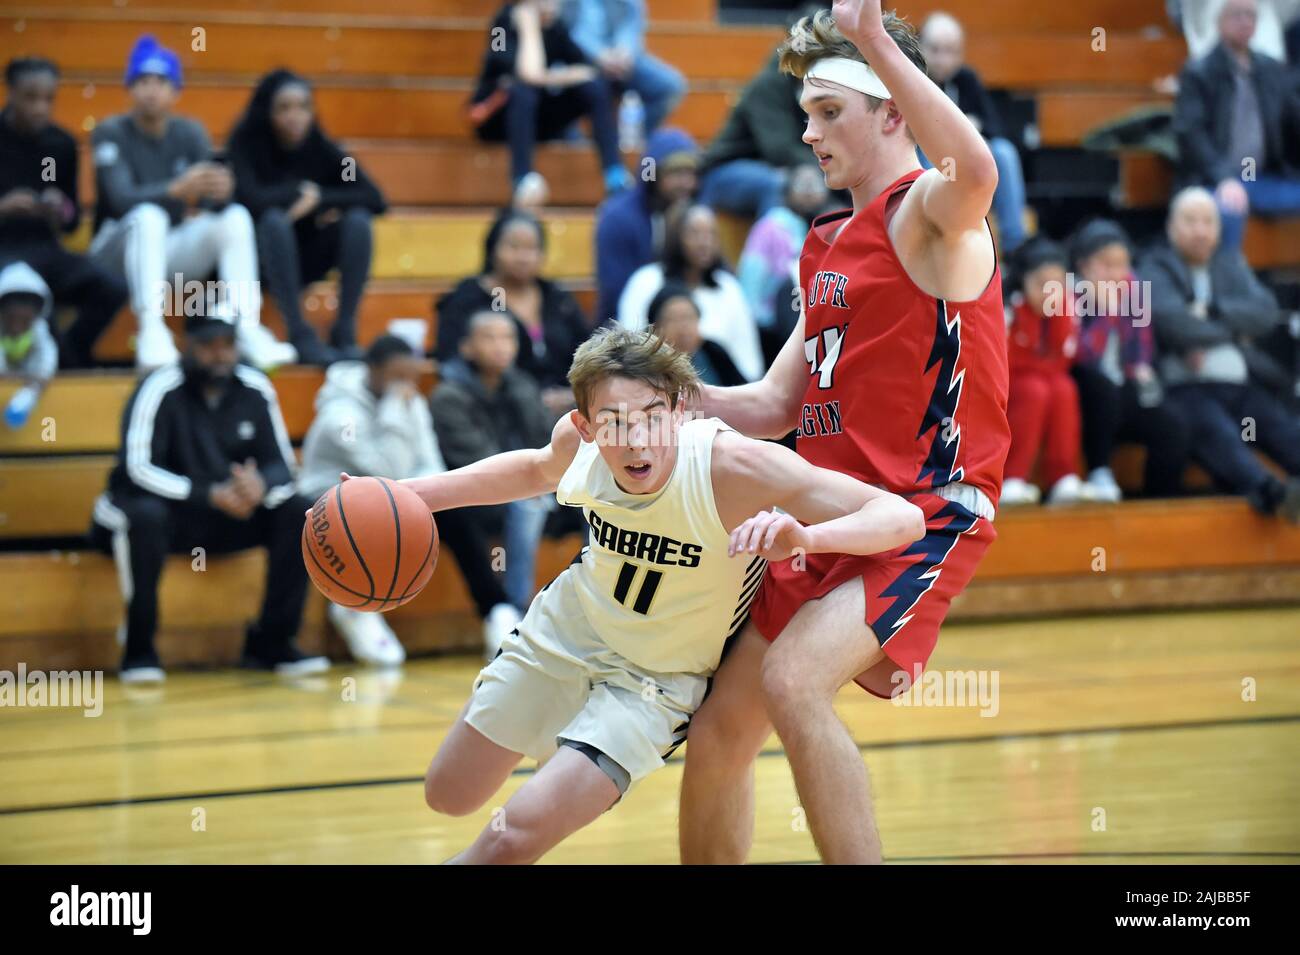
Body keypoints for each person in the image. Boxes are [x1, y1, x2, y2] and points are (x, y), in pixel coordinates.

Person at [677, 1, 1011, 865]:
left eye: (831, 113)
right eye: (806, 117)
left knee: (794, 682)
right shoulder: (826, 241)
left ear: (892, 112)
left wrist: (871, 38)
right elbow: (770, 406)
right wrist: (659, 400)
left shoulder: (929, 213)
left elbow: (975, 168)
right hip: (826, 511)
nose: (810, 135)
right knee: (719, 730)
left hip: (926, 508)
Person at [403, 326, 925, 863]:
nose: (636, 440)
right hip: (566, 634)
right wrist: (406, 495)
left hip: (653, 686)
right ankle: (562, 754)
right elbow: (534, 468)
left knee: (509, 836)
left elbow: (902, 518)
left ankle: (579, 766)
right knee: (448, 793)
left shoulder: (736, 467)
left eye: (652, 416)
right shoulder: (577, 446)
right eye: (613, 423)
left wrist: (809, 537)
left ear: (681, 411)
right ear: (585, 426)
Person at [88, 308, 326, 682]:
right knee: (145, 517)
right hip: (154, 513)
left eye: (228, 345)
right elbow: (137, 469)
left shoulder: (255, 386)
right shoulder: (158, 388)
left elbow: (281, 466)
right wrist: (206, 493)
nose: (220, 354)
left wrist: (259, 484)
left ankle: (273, 643)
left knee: (298, 510)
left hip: (226, 515)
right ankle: (139, 649)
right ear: (187, 346)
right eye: (209, 346)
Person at [88, 35, 295, 371]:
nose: (152, 89)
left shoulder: (191, 132)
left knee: (236, 216)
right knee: (148, 216)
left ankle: (246, 325)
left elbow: (209, 205)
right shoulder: (110, 131)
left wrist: (223, 191)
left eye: (161, 81)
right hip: (115, 254)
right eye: (143, 81)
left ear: (176, 91)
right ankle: (151, 330)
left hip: (168, 251)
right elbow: (119, 199)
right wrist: (175, 189)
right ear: (129, 87)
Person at [1142, 186, 1300, 520]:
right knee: (1217, 430)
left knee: (1278, 424)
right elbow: (1172, 324)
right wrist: (1234, 331)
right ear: (1171, 226)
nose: (1200, 230)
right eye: (1190, 221)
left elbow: (1266, 313)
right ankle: (1269, 491)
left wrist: (1210, 311)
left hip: (1238, 385)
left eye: (1208, 222)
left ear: (1218, 229)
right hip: (1183, 388)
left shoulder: (1229, 264)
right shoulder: (1153, 266)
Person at [298, 335, 447, 665]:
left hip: (389, 498)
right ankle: (354, 604)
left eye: (411, 377)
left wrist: (423, 498)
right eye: (397, 377)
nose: (406, 385)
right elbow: (387, 468)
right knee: (370, 525)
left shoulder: (411, 400)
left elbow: (431, 461)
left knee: (458, 515)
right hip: (325, 501)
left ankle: (496, 608)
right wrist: (396, 406)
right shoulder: (341, 414)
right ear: (372, 370)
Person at [228, 70, 387, 366]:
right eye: (284, 108)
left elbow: (375, 198)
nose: (295, 116)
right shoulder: (245, 144)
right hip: (258, 263)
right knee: (274, 221)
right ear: (267, 112)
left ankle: (345, 329)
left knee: (357, 222)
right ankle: (298, 332)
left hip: (305, 258)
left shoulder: (321, 146)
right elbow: (249, 199)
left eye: (303, 107)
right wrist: (295, 194)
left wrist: (319, 199)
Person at [431, 310, 557, 655]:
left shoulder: (522, 386)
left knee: (598, 498)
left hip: (536, 485)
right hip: (478, 496)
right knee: (527, 505)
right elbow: (475, 462)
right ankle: (515, 613)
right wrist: (532, 483)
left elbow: (548, 441)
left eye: (508, 338)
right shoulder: (448, 395)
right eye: (489, 338)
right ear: (467, 347)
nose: (501, 346)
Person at [0, 57, 127, 368]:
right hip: (4, 251)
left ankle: (69, 358)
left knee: (111, 288)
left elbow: (70, 224)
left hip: (45, 250)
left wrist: (61, 208)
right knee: (22, 288)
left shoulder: (59, 144)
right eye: (31, 97)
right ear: (11, 93)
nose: (40, 107)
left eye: (48, 99)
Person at [1069, 219, 1191, 501]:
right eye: (1106, 264)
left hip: (1122, 391)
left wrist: (1142, 374)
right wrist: (1104, 311)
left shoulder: (1134, 291)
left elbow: (1140, 357)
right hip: (1085, 394)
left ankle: (1160, 504)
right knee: (1102, 388)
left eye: (1121, 264)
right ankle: (1099, 472)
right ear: (1084, 266)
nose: (1115, 273)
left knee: (1174, 425)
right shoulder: (1065, 294)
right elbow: (1080, 356)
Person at [469, 0, 631, 206]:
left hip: (538, 123)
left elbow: (586, 72)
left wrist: (565, 74)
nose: (552, 3)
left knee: (594, 87)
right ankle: (522, 179)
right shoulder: (501, 27)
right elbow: (529, 74)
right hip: (496, 120)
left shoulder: (555, 26)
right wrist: (530, 29)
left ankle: (615, 174)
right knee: (522, 92)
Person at [435, 208, 591, 418]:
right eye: (513, 246)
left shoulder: (556, 297)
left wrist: (571, 395)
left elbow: (587, 349)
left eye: (531, 248)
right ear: (492, 249)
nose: (523, 257)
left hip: (564, 409)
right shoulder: (469, 298)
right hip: (494, 412)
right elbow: (452, 363)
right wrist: (531, 400)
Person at [1173, 0, 1300, 250]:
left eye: (1251, 16)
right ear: (1219, 22)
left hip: (1264, 177)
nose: (1245, 21)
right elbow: (1191, 134)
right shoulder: (1199, 72)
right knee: (1224, 211)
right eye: (1237, 15)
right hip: (1215, 179)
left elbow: (1291, 122)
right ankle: (1229, 285)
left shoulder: (1271, 70)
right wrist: (1223, 179)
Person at [919, 12, 1030, 253]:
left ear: (960, 54)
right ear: (920, 46)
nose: (942, 59)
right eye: (935, 50)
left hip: (962, 154)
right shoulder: (913, 76)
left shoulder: (966, 79)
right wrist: (960, 126)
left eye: (950, 51)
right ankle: (935, 232)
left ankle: (1016, 246)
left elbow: (994, 128)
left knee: (1004, 152)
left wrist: (968, 129)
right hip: (925, 153)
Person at [617, 201, 764, 382]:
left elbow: (748, 357)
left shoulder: (728, 287)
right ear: (675, 236)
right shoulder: (646, 281)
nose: (705, 242)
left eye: (711, 234)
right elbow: (630, 347)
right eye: (694, 233)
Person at [1001, 239, 1088, 505]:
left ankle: (1063, 477)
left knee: (1065, 389)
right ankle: (1011, 478)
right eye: (1041, 284)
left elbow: (1065, 357)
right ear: (1023, 282)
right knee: (1034, 390)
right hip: (1009, 385)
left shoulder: (1068, 310)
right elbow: (1004, 360)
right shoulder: (1007, 310)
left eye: (1057, 285)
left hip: (1047, 381)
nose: (1050, 293)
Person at [593, 127, 699, 325]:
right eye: (676, 173)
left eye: (690, 173)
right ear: (652, 174)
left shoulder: (691, 215)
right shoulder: (618, 218)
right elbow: (615, 292)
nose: (686, 183)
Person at [736, 162, 828, 360]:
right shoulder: (771, 227)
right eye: (803, 185)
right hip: (772, 331)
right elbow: (751, 281)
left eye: (815, 185)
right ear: (788, 191)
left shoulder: (825, 226)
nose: (810, 192)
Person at [561, 0, 686, 138]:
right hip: (575, 57)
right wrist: (598, 54)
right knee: (560, 82)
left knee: (669, 86)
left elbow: (632, 19)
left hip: (622, 59)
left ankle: (634, 143)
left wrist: (625, 51)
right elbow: (563, 27)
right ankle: (573, 146)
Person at [647, 283, 746, 387]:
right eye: (673, 319)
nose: (683, 327)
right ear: (655, 329)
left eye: (689, 317)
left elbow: (742, 388)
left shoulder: (713, 352)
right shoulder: (646, 366)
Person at [0, 262, 58, 430]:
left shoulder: (38, 329)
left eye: (25, 319)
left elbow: (47, 354)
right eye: (13, 317)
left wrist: (39, 378)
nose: (19, 323)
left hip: (29, 379)